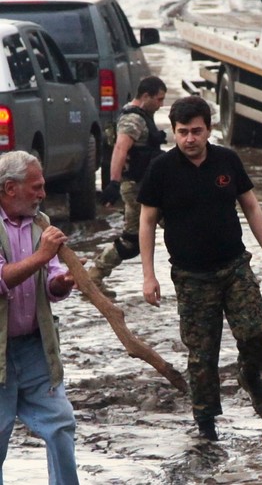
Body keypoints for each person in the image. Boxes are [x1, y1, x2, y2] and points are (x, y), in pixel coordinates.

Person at [138, 95, 262, 442]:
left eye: (196, 131)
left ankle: (249, 373)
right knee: (202, 356)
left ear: (209, 129)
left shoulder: (227, 161)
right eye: (182, 132)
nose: (189, 139)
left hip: (234, 265)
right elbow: (147, 222)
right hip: (190, 275)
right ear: (173, 132)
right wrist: (148, 275)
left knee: (259, 332)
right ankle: (206, 424)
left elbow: (252, 207)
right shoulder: (161, 169)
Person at [0, 151, 78, 484]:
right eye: (36, 187)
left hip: (35, 348)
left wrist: (60, 283)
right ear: (9, 188)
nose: (42, 194)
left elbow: (52, 276)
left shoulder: (41, 224)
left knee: (60, 423)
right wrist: (42, 256)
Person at [94, 76, 168, 297]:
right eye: (159, 99)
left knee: (133, 240)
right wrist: (114, 182)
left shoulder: (141, 116)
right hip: (137, 187)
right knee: (140, 238)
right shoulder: (133, 120)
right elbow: (120, 149)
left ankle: (94, 277)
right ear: (146, 97)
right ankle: (93, 278)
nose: (161, 104)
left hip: (145, 185)